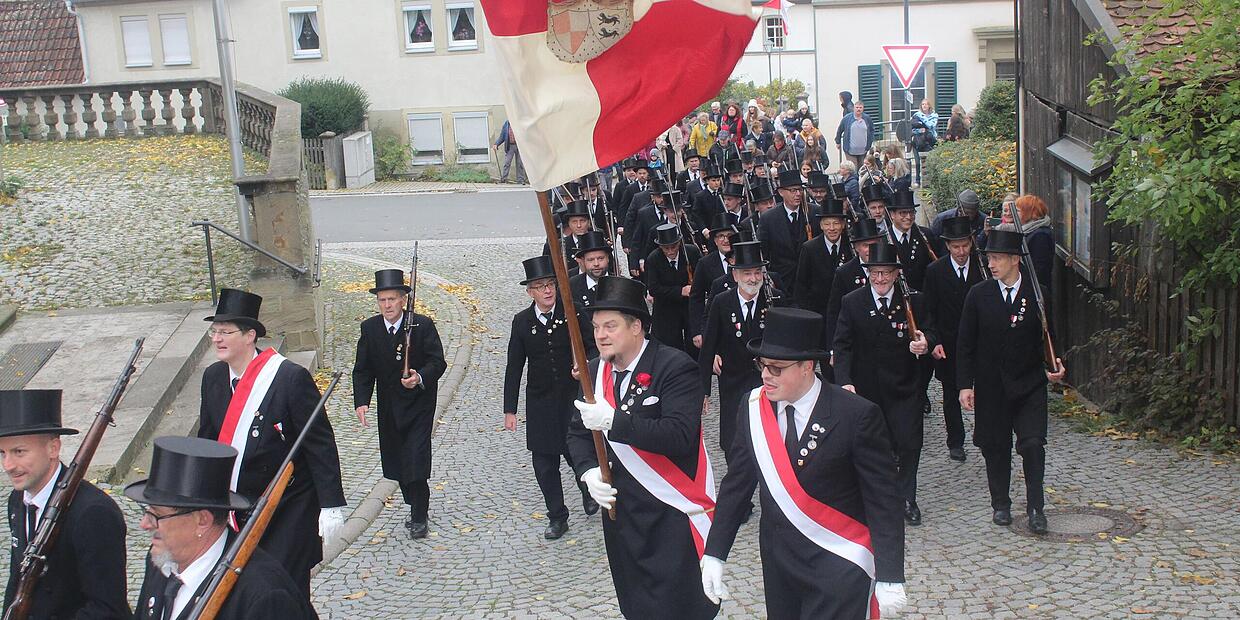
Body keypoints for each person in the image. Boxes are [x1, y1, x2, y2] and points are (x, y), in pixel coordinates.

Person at [699, 308, 908, 619]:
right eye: (762, 364)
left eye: (776, 368)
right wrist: (715, 553)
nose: (765, 375)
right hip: (780, 565)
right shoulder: (752, 408)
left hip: (839, 560)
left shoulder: (856, 415)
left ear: (807, 367)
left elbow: (883, 499)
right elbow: (737, 484)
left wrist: (890, 574)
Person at [567, 277, 719, 620]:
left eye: (610, 326)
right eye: (596, 327)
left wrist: (614, 421)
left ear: (636, 326)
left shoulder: (675, 366)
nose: (600, 335)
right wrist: (588, 472)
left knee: (681, 609)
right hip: (623, 518)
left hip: (671, 514)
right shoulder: (594, 372)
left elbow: (679, 435)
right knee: (636, 608)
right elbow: (577, 433)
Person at [199, 288, 346, 597]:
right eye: (214, 331)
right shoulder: (213, 377)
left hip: (286, 508)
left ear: (250, 335)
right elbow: (208, 440)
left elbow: (319, 443)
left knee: (284, 593)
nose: (217, 339)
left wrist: (331, 504)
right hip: (235, 508)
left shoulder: (289, 378)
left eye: (225, 332)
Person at [127, 437, 313, 619]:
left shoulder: (264, 595)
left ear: (202, 521)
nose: (144, 524)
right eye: (146, 511)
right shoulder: (161, 560)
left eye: (156, 515)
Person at [957, 229, 1067, 535]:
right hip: (992, 387)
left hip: (1029, 384)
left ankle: (1036, 508)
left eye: (997, 258)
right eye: (989, 258)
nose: (991, 264)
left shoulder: (1037, 294)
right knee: (995, 446)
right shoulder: (979, 295)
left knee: (1032, 444)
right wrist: (965, 384)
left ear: (1015, 260)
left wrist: (1055, 363)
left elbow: (1050, 335)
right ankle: (1001, 503)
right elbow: (965, 344)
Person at [833, 241, 936, 526]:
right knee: (872, 448)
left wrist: (925, 342)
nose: (880, 279)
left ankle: (907, 497)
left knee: (909, 443)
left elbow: (931, 330)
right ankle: (872, 497)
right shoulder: (852, 302)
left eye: (886, 273)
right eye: (875, 273)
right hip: (867, 390)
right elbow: (842, 345)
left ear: (896, 273)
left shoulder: (914, 301)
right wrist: (844, 381)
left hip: (905, 386)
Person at [0, 390, 129, 618]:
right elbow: (17, 580)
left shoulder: (93, 512)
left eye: (19, 452)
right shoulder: (17, 501)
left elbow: (106, 608)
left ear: (53, 448)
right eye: (2, 453)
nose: (8, 465)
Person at [504, 257, 600, 540]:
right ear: (529, 292)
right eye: (540, 286)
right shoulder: (522, 322)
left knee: (575, 452)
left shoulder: (573, 312)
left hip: (571, 397)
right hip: (540, 402)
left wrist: (585, 367)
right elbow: (514, 366)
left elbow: (594, 348)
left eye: (550, 284)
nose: (547, 290)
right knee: (544, 464)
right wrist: (510, 409)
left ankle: (587, 490)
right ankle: (557, 516)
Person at [353, 270, 446, 540]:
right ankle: (413, 502)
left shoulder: (422, 325)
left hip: (418, 405)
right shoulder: (370, 328)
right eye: (382, 300)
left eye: (392, 299)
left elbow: (438, 362)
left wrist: (419, 377)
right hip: (389, 406)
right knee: (397, 460)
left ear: (403, 300)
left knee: (415, 458)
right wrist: (362, 401)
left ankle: (419, 514)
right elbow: (362, 369)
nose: (387, 305)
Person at [698, 242, 782, 470]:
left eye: (757, 273)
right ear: (735, 275)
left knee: (769, 440)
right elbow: (708, 346)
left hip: (766, 382)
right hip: (733, 382)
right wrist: (703, 390)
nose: (753, 279)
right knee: (734, 441)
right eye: (747, 273)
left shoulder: (775, 300)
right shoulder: (722, 302)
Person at [921, 217, 987, 463]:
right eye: (956, 247)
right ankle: (955, 441)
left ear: (971, 243)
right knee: (951, 393)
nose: (961, 252)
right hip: (948, 342)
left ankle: (983, 435)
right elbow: (929, 310)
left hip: (980, 342)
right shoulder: (935, 271)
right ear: (947, 246)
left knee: (985, 390)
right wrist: (934, 340)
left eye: (965, 246)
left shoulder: (982, 267)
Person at [824, 217, 884, 369]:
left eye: (873, 245)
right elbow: (833, 312)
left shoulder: (888, 270)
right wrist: (833, 348)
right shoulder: (844, 272)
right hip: (855, 341)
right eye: (865, 245)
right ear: (856, 247)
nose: (869, 250)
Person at [645, 223, 702, 354]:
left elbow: (701, 276)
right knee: (669, 349)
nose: (670, 251)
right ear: (660, 247)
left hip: (689, 307)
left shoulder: (691, 252)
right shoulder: (653, 259)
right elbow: (653, 288)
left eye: (674, 247)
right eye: (666, 248)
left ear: (679, 243)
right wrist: (680, 291)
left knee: (694, 345)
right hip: (666, 309)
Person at [794, 195, 851, 320]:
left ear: (843, 225)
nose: (832, 228)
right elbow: (801, 285)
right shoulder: (809, 248)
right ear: (821, 225)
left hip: (845, 312)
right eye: (827, 224)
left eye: (836, 223)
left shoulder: (850, 246)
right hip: (818, 312)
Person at [758, 169, 811, 298]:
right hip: (782, 283)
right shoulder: (768, 219)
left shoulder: (812, 213)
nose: (798, 194)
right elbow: (763, 253)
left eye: (800, 190)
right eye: (793, 190)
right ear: (781, 192)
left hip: (809, 283)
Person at [690, 215, 739, 349]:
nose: (726, 240)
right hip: (717, 324)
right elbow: (696, 298)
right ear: (715, 240)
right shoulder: (705, 263)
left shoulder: (745, 260)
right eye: (721, 236)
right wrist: (697, 331)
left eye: (729, 235)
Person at [886, 188, 942, 291]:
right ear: (892, 215)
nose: (908, 217)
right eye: (903, 213)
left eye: (912, 212)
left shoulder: (925, 235)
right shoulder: (884, 239)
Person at [998, 195, 1054, 289]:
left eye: (1018, 211)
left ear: (1028, 213)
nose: (1014, 214)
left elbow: (1039, 268)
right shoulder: (1028, 230)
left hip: (1034, 287)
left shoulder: (1040, 235)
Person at [569, 231, 613, 308]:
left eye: (600, 258)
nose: (596, 264)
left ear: (608, 258)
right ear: (583, 261)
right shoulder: (570, 287)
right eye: (590, 260)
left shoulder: (622, 285)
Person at [835, 102, 875, 171]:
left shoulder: (867, 118)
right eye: (857, 107)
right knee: (853, 169)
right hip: (850, 150)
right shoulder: (847, 118)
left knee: (862, 169)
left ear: (863, 109)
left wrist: (870, 142)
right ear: (854, 108)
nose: (858, 109)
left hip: (863, 150)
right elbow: (840, 130)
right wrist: (838, 142)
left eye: (860, 107)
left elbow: (872, 130)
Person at [493, 120, 527, 184]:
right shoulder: (506, 124)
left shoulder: (519, 123)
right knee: (507, 162)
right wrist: (496, 144)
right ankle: (504, 179)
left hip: (519, 146)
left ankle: (520, 180)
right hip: (510, 146)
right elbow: (502, 136)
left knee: (520, 163)